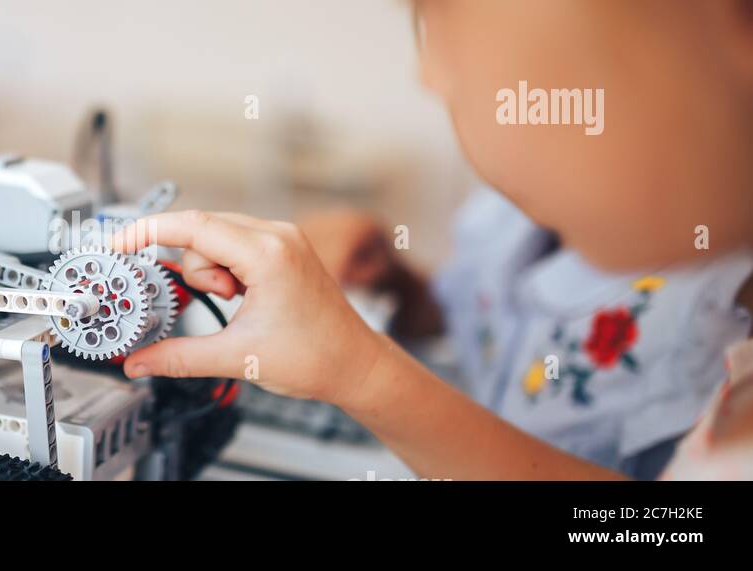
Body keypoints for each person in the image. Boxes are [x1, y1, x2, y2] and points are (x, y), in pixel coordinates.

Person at [110, 0, 753, 479]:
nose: (430, 78)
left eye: (446, 19)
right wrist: (400, 288)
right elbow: (487, 327)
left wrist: (360, 372)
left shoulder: (722, 324)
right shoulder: (510, 223)